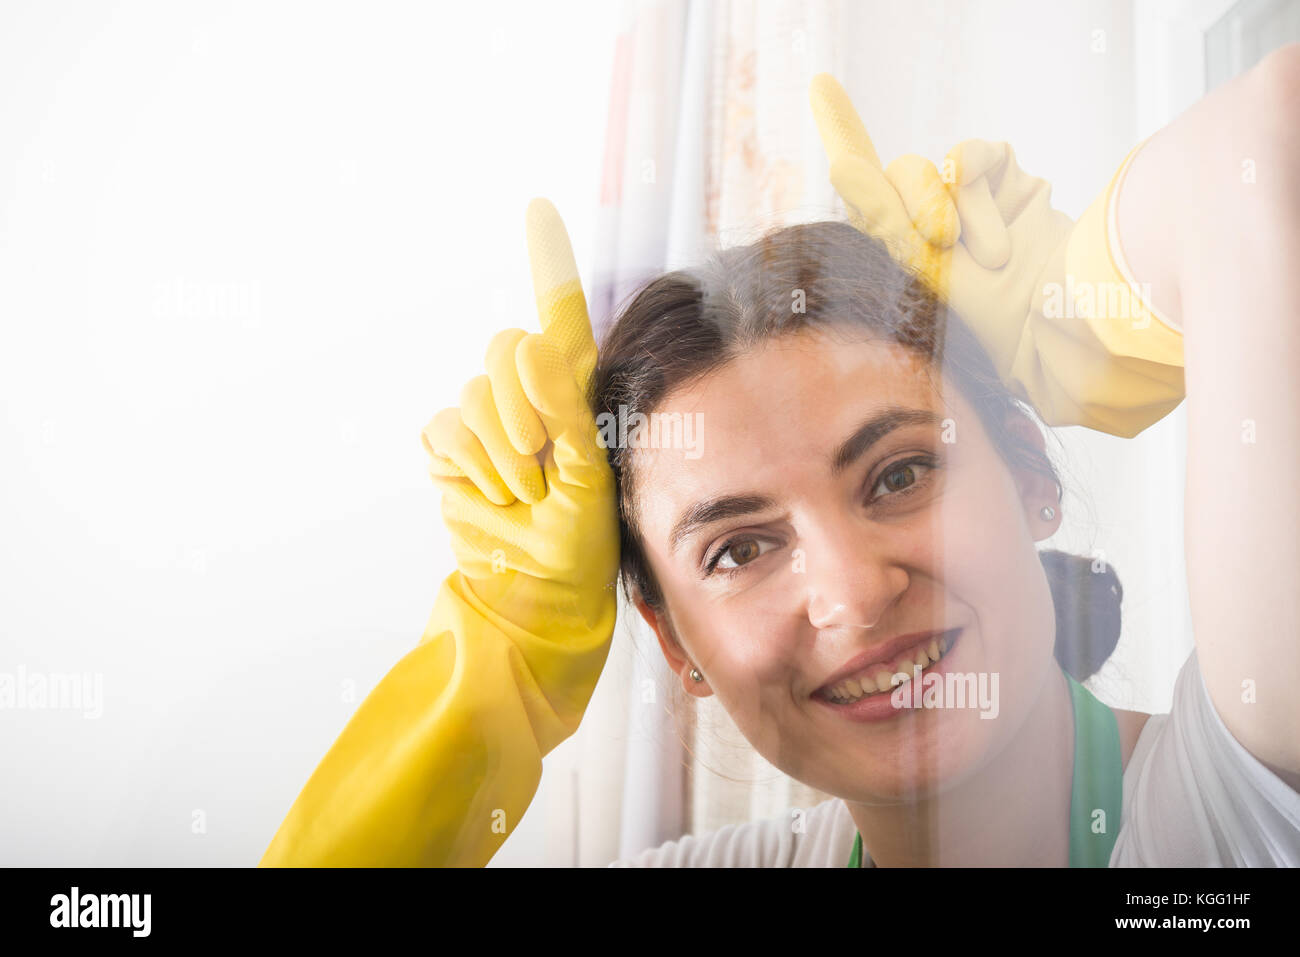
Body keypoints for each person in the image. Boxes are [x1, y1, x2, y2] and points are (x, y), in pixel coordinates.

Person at [258, 45, 1300, 867]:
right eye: (739, 549)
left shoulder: (1237, 809)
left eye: (897, 475)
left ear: (1031, 477)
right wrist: (500, 665)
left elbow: (1268, 135)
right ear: (677, 648)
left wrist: (1078, 314)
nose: (850, 594)